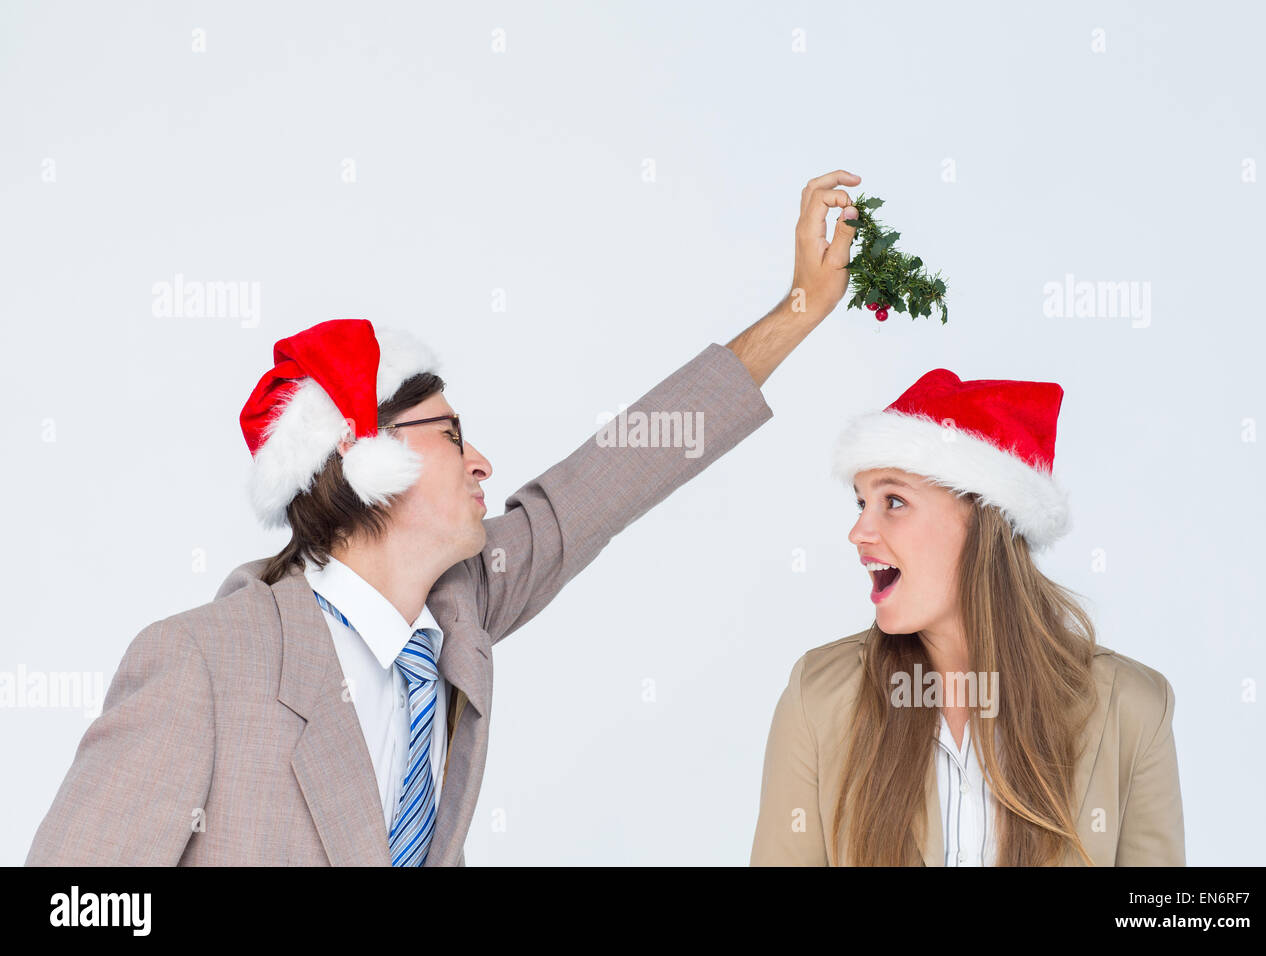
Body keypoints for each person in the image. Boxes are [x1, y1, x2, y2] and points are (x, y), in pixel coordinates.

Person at [26, 170, 865, 867]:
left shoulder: (458, 607)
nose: (483, 462)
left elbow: (609, 478)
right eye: (452, 435)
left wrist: (798, 308)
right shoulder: (202, 663)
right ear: (370, 461)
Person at [750, 369, 1186, 866]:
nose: (859, 531)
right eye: (860, 502)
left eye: (894, 501)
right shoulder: (819, 698)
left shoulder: (1132, 708)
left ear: (986, 520)